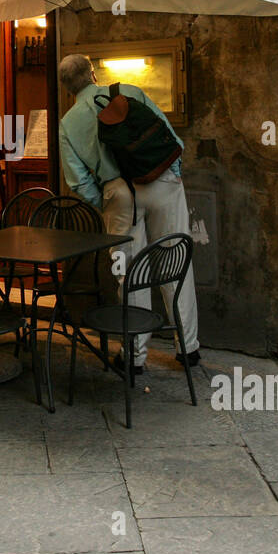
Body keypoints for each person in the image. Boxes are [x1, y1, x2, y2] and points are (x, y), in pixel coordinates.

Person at [57, 53, 199, 374]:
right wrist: (170, 173)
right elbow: (170, 137)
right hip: (162, 181)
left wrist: (108, 197)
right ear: (93, 74)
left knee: (130, 272)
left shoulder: (68, 124)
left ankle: (134, 356)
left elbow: (78, 181)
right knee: (175, 261)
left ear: (67, 89)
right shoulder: (130, 92)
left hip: (119, 194)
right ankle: (188, 348)